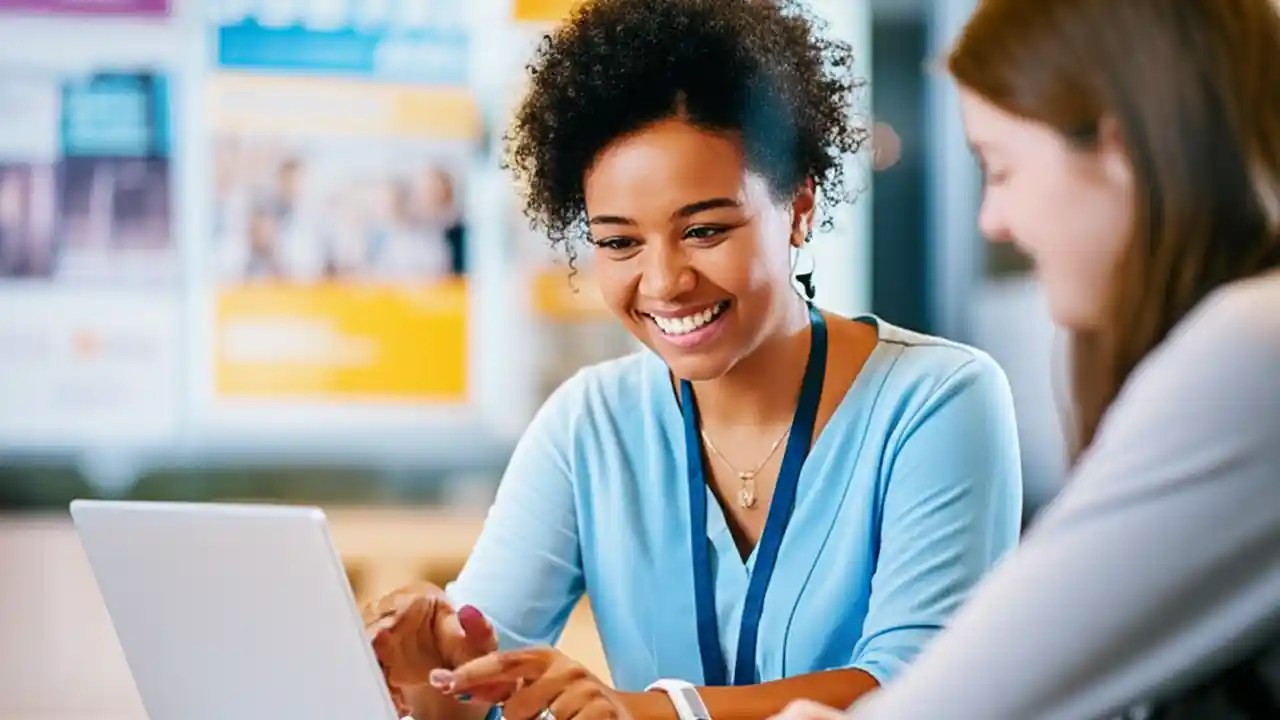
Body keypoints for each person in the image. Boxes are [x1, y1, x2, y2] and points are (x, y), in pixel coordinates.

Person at [365, 1, 1022, 719]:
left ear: (799, 206)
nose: (664, 281)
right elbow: (481, 687)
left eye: (705, 230)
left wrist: (653, 711)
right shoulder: (591, 425)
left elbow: (920, 690)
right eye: (619, 242)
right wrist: (431, 680)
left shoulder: (938, 401)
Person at [771, 0, 1280, 718]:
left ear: (1119, 148)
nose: (994, 221)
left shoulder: (1250, 352)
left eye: (1000, 168)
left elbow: (957, 707)